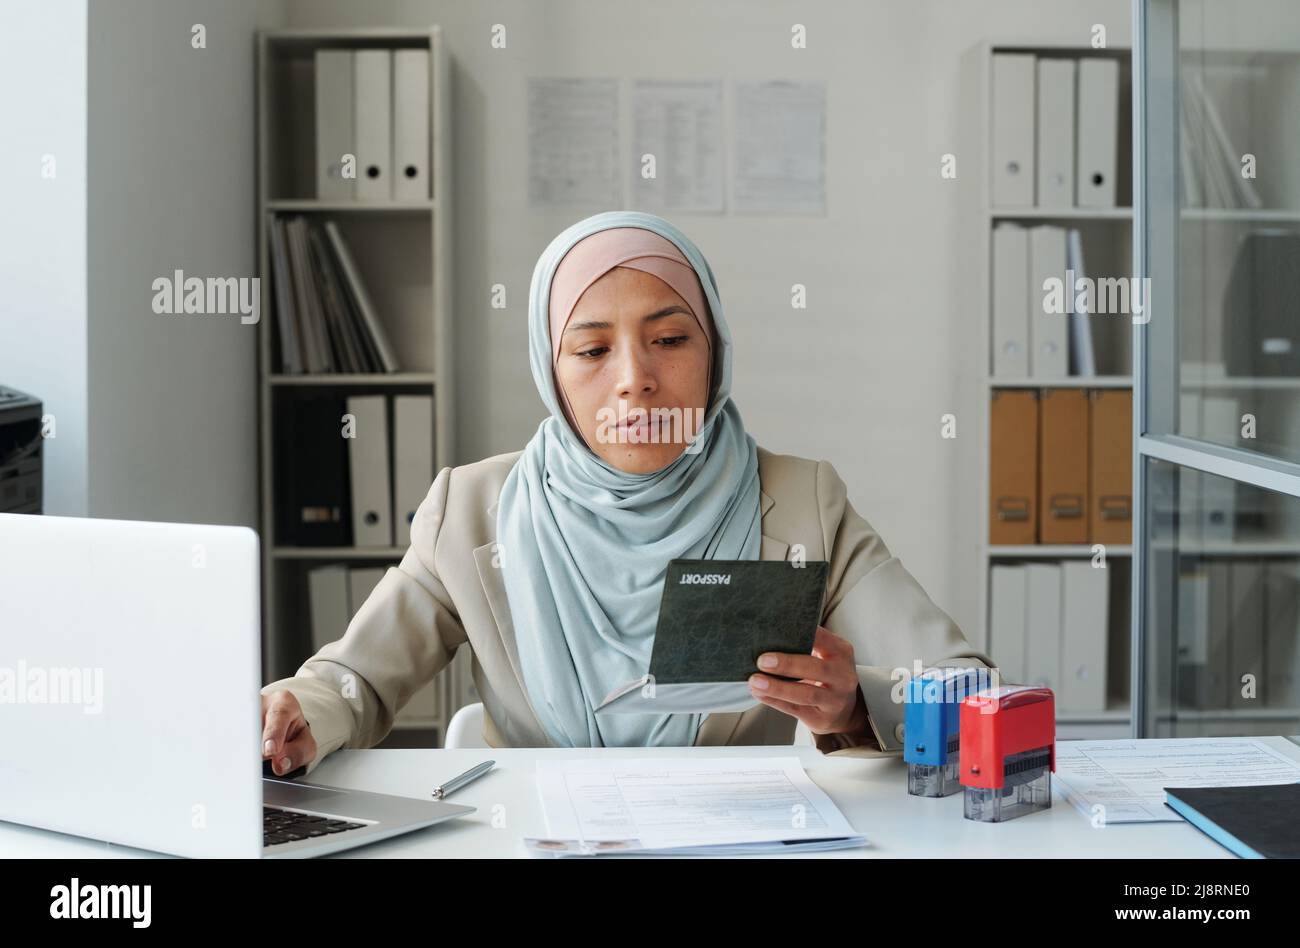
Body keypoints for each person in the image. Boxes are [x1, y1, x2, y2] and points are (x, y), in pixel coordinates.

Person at [261, 210, 990, 777]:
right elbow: (355, 679)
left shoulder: (803, 500)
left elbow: (971, 694)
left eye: (670, 340)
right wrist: (300, 713)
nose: (635, 377)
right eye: (591, 349)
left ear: (716, 354)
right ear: (552, 372)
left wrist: (854, 702)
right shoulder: (472, 508)